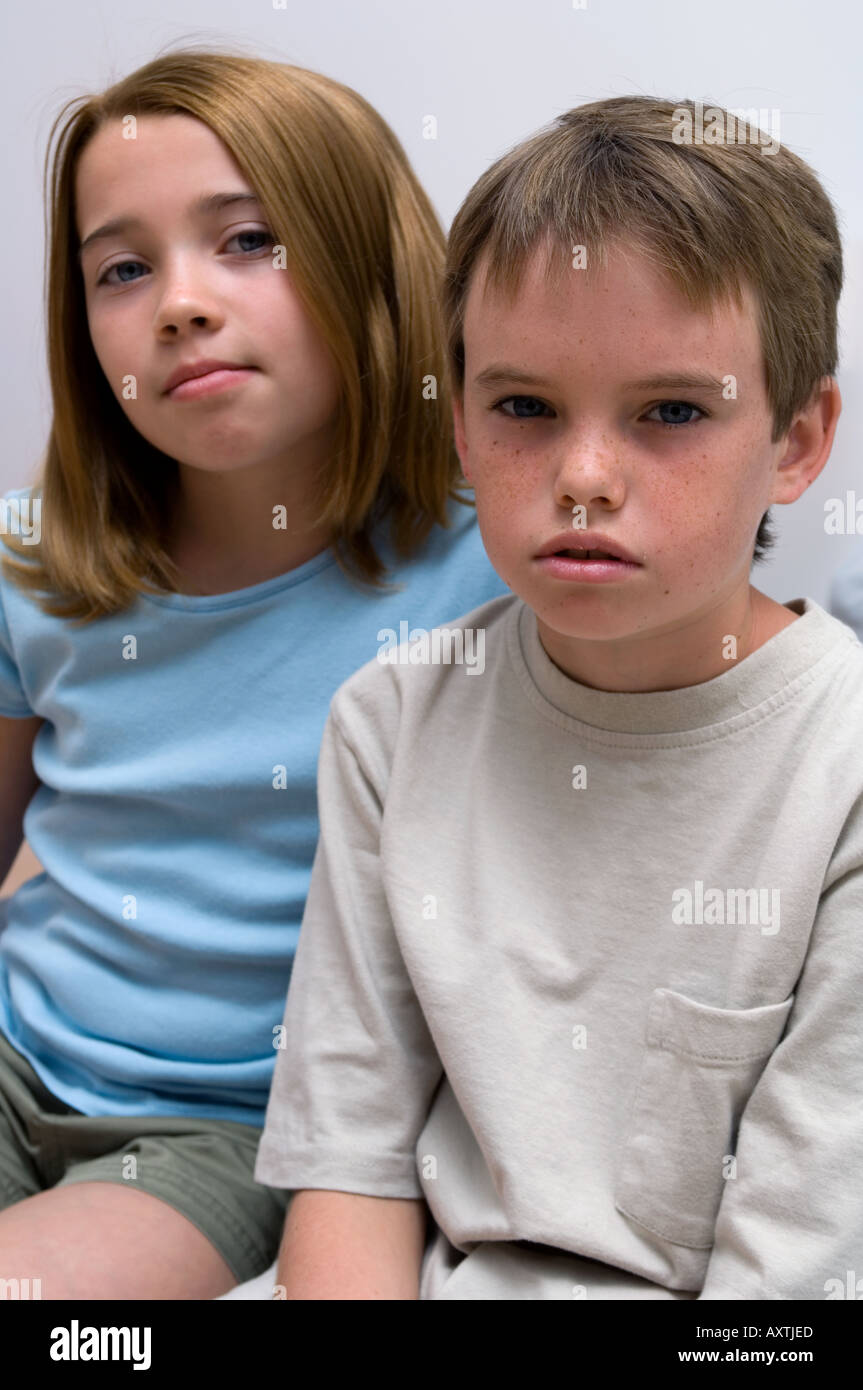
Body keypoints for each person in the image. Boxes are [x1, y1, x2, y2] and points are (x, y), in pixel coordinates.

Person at [254, 96, 863, 1300]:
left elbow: (791, 1279)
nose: (582, 479)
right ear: (465, 432)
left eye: (671, 412)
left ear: (795, 442)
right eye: (524, 408)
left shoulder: (838, 769)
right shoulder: (391, 723)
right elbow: (350, 1170)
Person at [0, 48, 509, 1299]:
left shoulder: (495, 567)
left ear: (368, 263)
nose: (178, 302)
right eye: (122, 269)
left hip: (217, 1129)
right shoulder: (32, 561)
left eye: (246, 242)